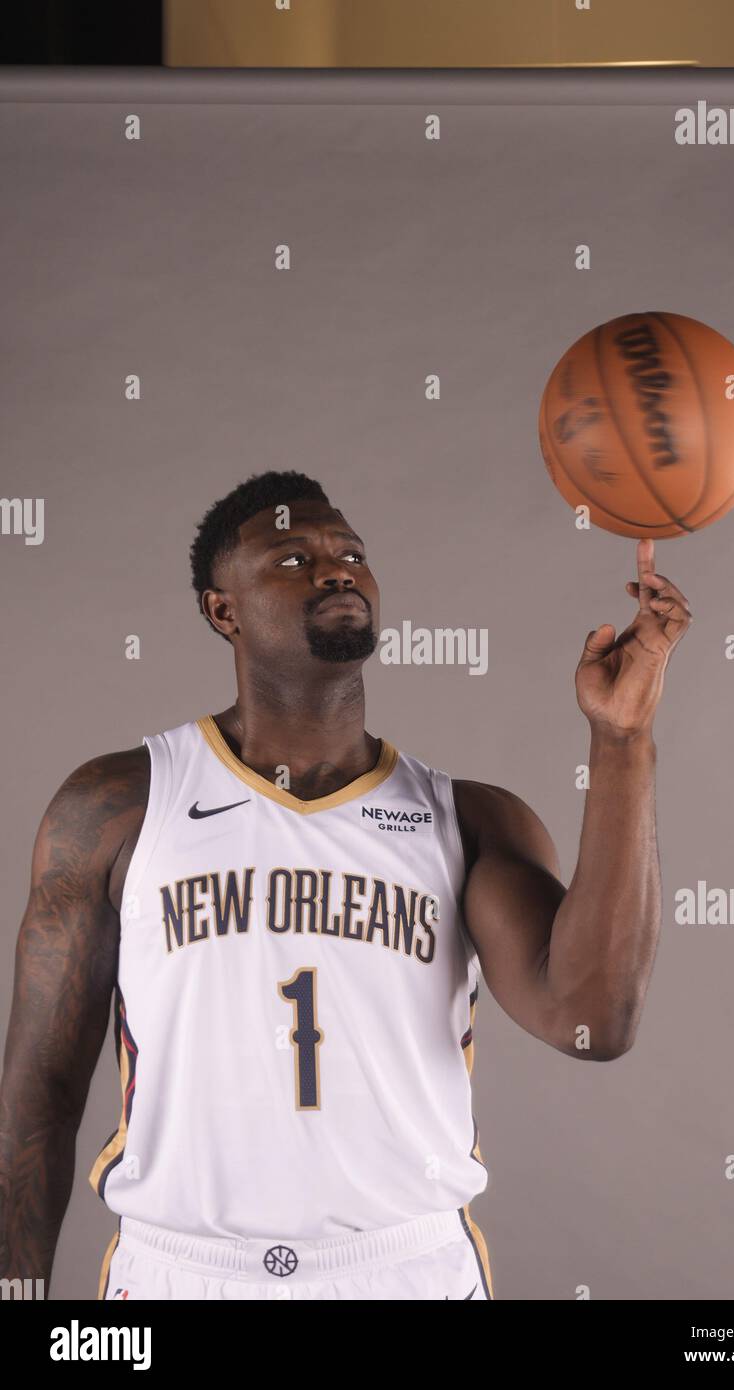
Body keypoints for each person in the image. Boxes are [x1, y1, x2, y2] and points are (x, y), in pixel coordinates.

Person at [0, 470, 691, 1300]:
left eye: (350, 553)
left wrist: (621, 741)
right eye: (292, 557)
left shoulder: (469, 820)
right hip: (181, 1272)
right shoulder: (116, 804)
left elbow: (594, 1020)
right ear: (223, 611)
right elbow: (38, 1093)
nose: (335, 569)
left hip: (403, 1270)